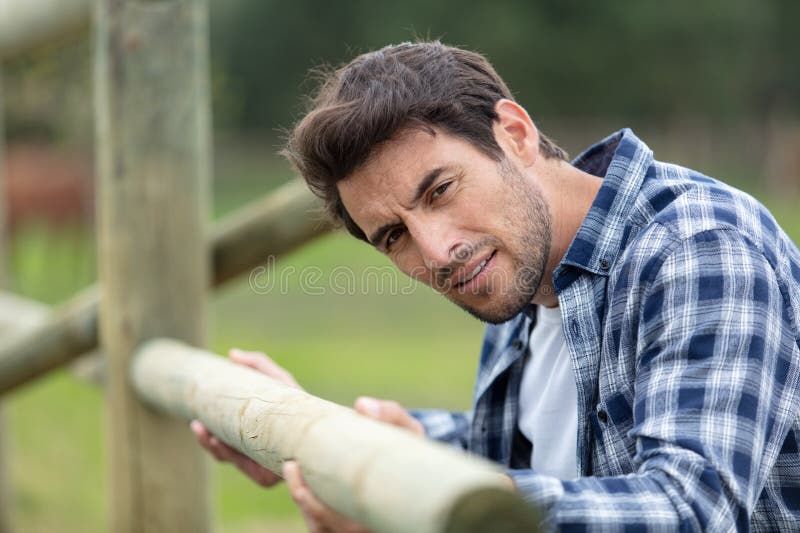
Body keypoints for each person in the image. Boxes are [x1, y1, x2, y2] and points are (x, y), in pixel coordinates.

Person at [192, 41, 800, 531]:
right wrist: (330, 440)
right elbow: (546, 442)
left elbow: (690, 512)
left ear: (514, 133)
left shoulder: (701, 248)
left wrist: (426, 501)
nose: (438, 251)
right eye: (393, 237)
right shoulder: (525, 271)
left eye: (440, 191)